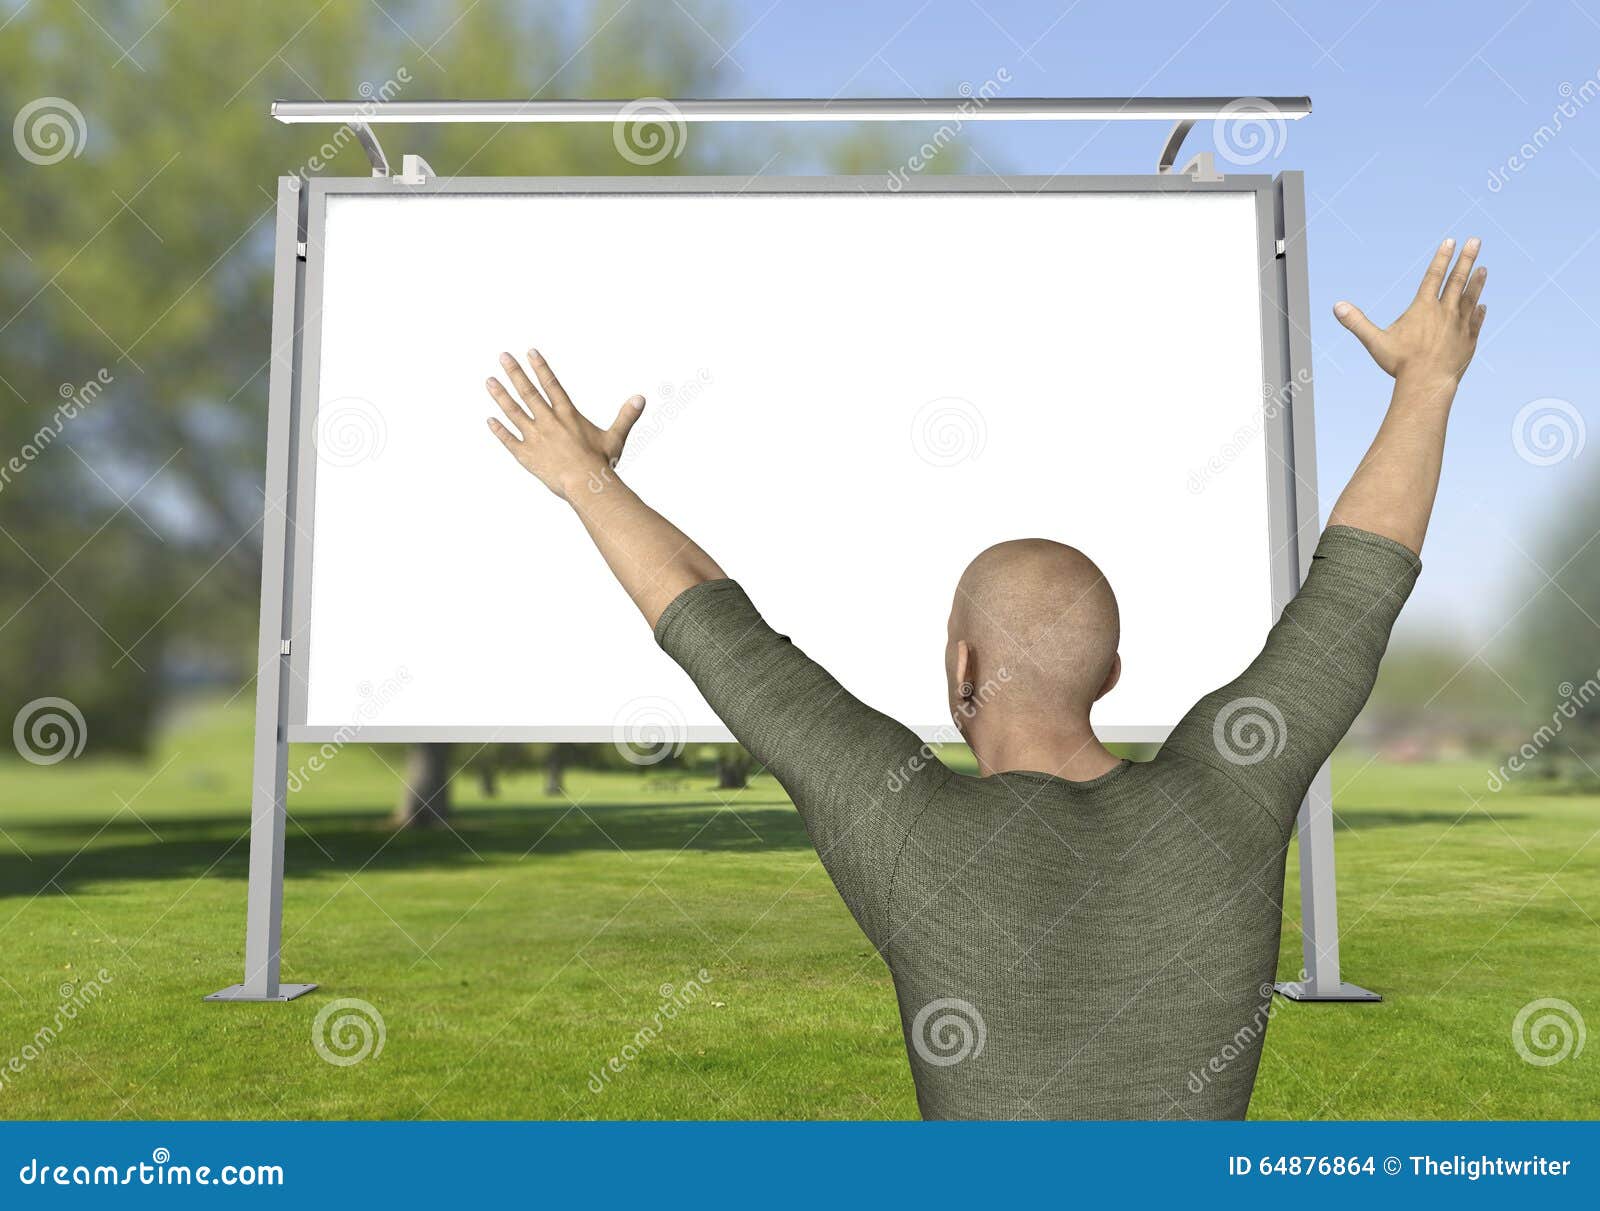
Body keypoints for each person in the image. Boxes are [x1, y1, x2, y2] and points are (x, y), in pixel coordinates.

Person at [481, 237, 1488, 1119]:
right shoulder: (1231, 794)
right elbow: (1354, 590)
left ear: (962, 665)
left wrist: (585, 479)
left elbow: (716, 625)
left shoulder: (905, 826)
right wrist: (1427, 384)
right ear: (1110, 673)